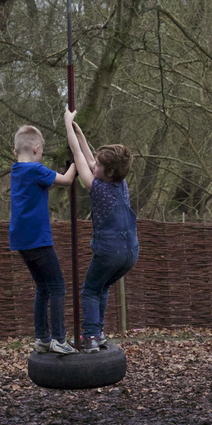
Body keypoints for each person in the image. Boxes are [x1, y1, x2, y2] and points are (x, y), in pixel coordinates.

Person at [64, 108, 139, 352]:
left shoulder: (96, 188)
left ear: (107, 173)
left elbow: (78, 156)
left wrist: (67, 125)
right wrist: (81, 134)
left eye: (97, 165)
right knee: (102, 287)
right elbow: (88, 156)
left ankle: (91, 336)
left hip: (110, 250)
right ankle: (99, 333)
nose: (92, 166)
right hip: (131, 252)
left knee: (89, 291)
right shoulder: (121, 183)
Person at [10, 125, 77, 354]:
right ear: (37, 149)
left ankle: (42, 338)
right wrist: (76, 159)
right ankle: (58, 338)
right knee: (57, 285)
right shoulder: (36, 171)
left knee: (42, 287)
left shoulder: (16, 170)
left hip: (20, 240)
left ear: (15, 151)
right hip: (38, 238)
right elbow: (67, 180)